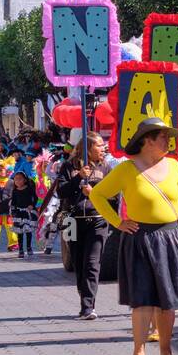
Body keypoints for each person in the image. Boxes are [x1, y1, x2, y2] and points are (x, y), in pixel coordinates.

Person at [90, 117, 178, 355]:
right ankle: (138, 352)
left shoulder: (174, 166)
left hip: (172, 237)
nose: (168, 141)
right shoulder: (127, 169)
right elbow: (98, 194)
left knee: (168, 299)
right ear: (147, 140)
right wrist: (117, 223)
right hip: (140, 238)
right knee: (142, 298)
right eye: (163, 137)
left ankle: (166, 350)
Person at [57, 133, 115, 320]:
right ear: (88, 148)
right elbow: (61, 191)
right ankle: (85, 296)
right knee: (78, 262)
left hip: (97, 219)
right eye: (99, 145)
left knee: (92, 263)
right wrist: (78, 179)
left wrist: (94, 192)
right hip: (72, 220)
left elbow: (114, 197)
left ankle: (88, 306)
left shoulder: (106, 167)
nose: (103, 148)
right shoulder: (69, 166)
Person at [9, 170, 39, 259]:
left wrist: (31, 205)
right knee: (20, 232)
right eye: (16, 179)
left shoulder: (29, 189)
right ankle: (21, 249)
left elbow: (35, 198)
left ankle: (29, 247)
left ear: (25, 180)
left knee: (28, 231)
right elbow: (13, 202)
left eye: (20, 179)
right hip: (18, 214)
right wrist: (13, 212)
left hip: (28, 213)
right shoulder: (14, 191)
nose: (18, 181)